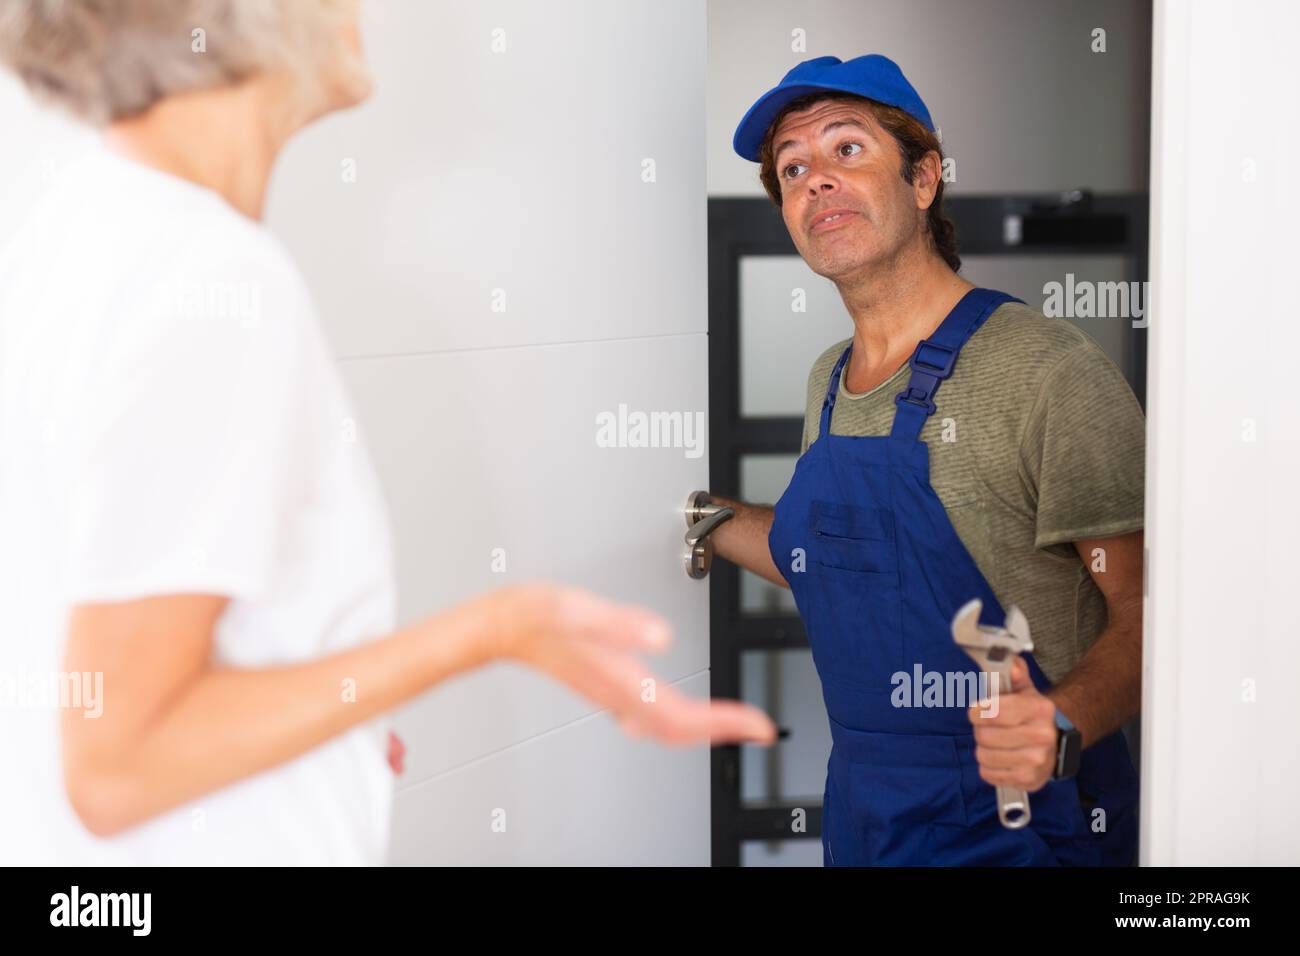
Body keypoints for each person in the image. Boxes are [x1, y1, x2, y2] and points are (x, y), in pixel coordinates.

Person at [0, 0, 775, 865]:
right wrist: (499, 626)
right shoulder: (211, 278)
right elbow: (118, 763)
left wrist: (330, 725)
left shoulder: (74, 237)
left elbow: (115, 669)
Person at [704, 54, 1143, 865]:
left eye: (847, 150)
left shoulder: (1047, 369)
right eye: (792, 168)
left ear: (925, 179)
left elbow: (1154, 612)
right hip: (868, 819)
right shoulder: (828, 381)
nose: (815, 182)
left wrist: (1062, 720)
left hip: (1022, 823)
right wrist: (700, 519)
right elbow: (828, 555)